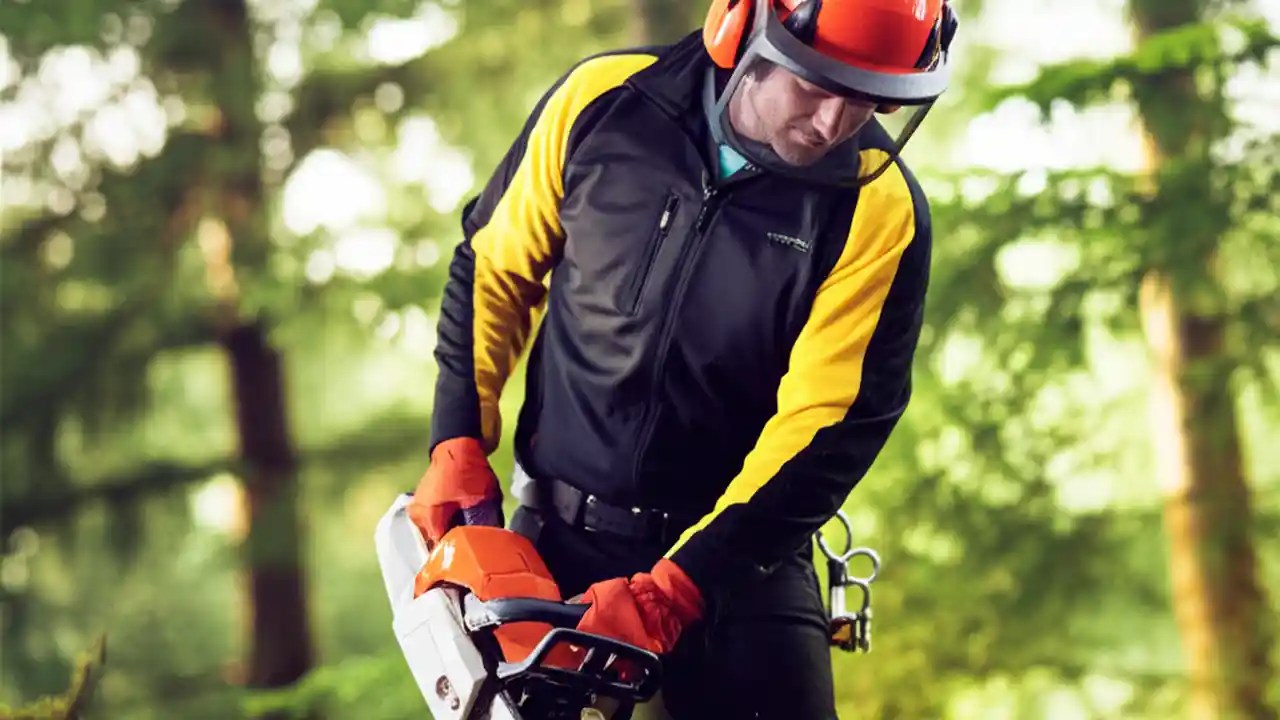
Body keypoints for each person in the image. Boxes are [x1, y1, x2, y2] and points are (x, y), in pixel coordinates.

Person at [408, 0, 958, 716]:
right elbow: (495, 264)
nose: (833, 124)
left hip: (738, 566)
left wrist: (681, 586)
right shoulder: (604, 103)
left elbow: (831, 426)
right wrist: (457, 434)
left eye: (865, 100)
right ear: (742, 30)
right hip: (557, 537)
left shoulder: (877, 211)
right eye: (817, 86)